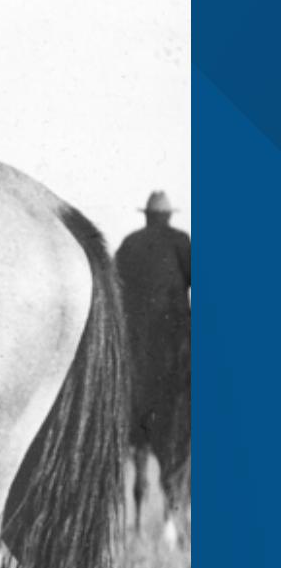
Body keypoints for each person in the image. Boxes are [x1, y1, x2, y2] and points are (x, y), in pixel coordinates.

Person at [113, 190, 192, 527]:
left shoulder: (128, 245)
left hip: (131, 353)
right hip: (174, 351)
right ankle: (175, 523)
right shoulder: (180, 241)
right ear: (168, 217)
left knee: (133, 441)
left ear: (146, 216)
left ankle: (134, 523)